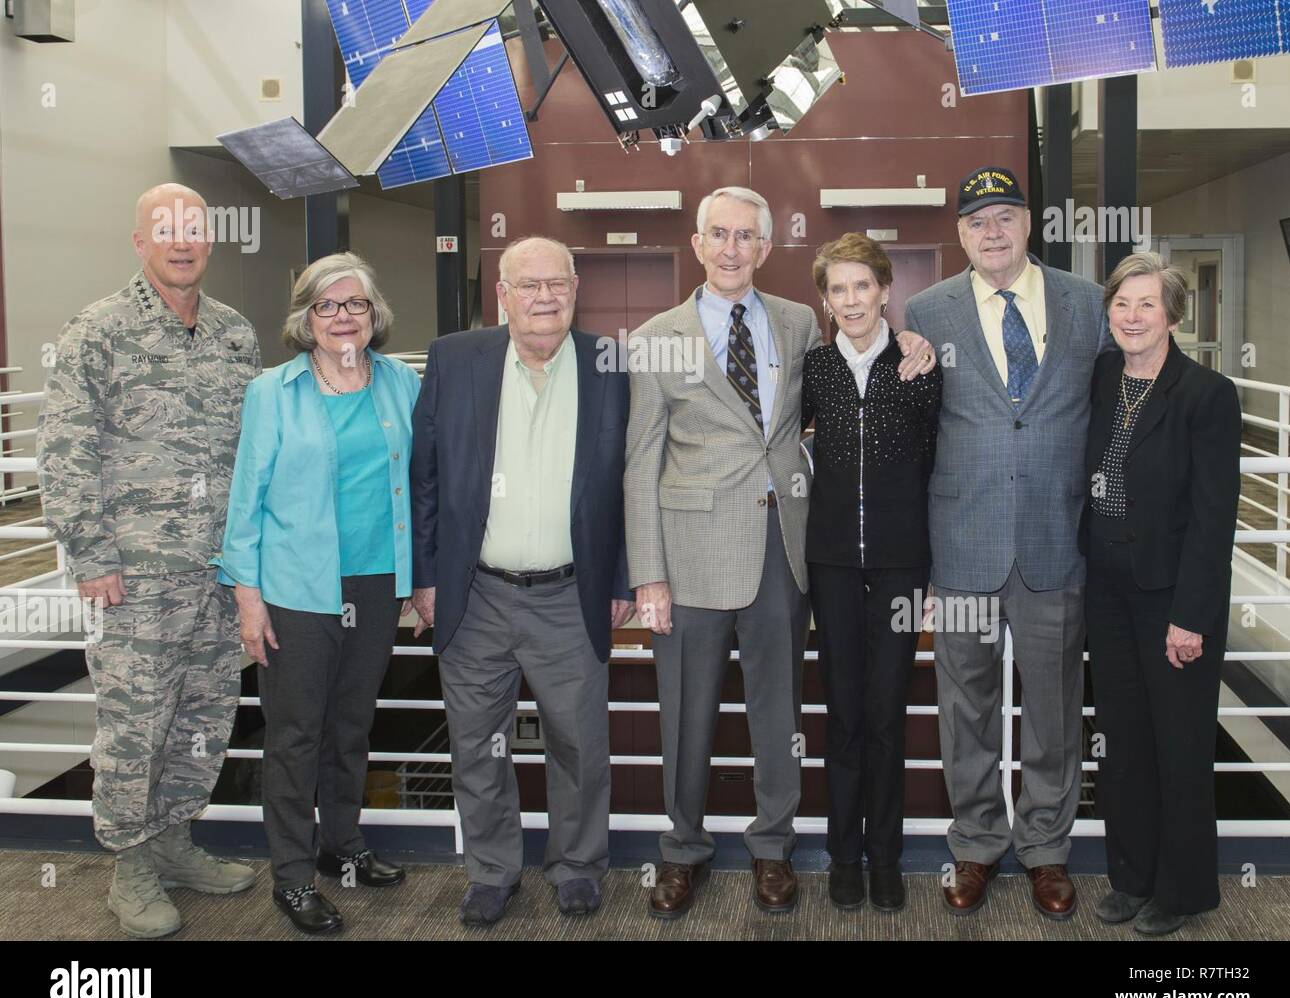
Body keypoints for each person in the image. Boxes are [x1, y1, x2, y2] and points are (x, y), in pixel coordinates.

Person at [625, 188, 936, 920]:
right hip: (692, 554)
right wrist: (648, 575)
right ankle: (682, 850)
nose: (733, 248)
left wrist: (912, 340)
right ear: (697, 242)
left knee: (779, 714)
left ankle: (774, 848)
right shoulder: (656, 336)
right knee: (686, 717)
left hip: (786, 550)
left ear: (766, 249)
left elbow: (860, 360)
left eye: (747, 236)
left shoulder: (800, 324)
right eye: (719, 234)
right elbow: (640, 463)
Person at [37, 184, 262, 938]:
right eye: (164, 228)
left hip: (218, 575)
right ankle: (130, 862)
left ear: (210, 239)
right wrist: (92, 553)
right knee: (135, 725)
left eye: (194, 228)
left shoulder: (236, 335)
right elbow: (65, 452)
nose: (181, 240)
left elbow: (254, 456)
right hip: (134, 578)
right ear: (139, 241)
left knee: (204, 716)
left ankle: (173, 839)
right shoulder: (98, 330)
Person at [409, 237, 632, 928]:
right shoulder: (454, 359)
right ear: (500, 294)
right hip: (474, 595)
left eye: (556, 284)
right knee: (477, 742)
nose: (544, 297)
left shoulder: (611, 363)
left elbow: (631, 481)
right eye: (527, 285)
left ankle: (576, 866)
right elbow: (424, 476)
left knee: (578, 744)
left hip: (572, 594)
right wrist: (425, 576)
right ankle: (492, 870)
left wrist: (622, 578)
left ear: (575, 289)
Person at [906, 166, 1109, 921]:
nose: (992, 231)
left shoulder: (1087, 305)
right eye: (976, 220)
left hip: (1058, 540)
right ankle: (977, 844)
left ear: (1030, 224)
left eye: (1005, 216)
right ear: (959, 234)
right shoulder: (927, 309)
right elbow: (917, 432)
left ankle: (1048, 850)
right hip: (961, 547)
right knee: (965, 706)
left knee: (1055, 704)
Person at [217, 252, 421, 935]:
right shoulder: (272, 393)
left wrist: (419, 579)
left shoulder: (400, 384)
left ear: (374, 314)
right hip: (296, 590)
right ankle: (293, 877)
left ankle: (344, 847)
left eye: (354, 304)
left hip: (375, 581)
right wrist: (248, 596)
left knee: (352, 725)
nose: (342, 316)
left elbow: (420, 485)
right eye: (327, 306)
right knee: (296, 735)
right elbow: (245, 501)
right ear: (306, 317)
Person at [1081, 253, 1241, 936]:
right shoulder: (1103, 375)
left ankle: (1180, 891)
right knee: (1122, 743)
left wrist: (1190, 616)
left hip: (1172, 599)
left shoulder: (1206, 394)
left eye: (1148, 304)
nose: (1133, 316)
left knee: (1178, 749)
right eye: (1122, 303)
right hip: (1108, 591)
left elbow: (1213, 518)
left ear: (1173, 314)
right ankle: (1131, 876)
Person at [801, 234, 942, 912]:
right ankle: (843, 855)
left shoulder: (919, 365)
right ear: (825, 299)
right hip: (830, 562)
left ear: (885, 289)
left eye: (862, 286)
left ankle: (886, 856)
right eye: (838, 289)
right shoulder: (815, 369)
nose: (851, 300)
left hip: (900, 565)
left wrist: (936, 574)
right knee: (845, 716)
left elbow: (937, 466)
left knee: (887, 714)